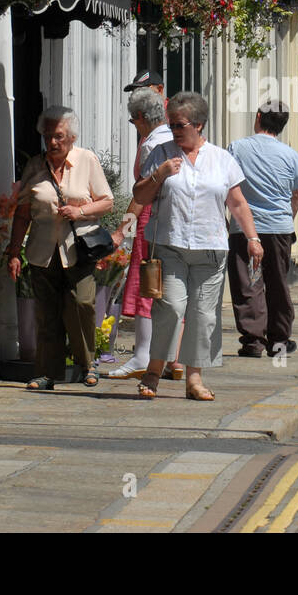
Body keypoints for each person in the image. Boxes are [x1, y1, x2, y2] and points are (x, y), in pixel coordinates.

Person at [131, 92, 264, 401]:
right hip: (169, 243)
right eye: (171, 124)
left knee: (205, 315)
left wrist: (253, 239)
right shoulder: (160, 152)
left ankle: (194, 378)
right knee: (172, 308)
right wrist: (159, 173)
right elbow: (140, 195)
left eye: (179, 125)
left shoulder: (222, 159)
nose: (174, 131)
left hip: (211, 248)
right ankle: (153, 370)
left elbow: (238, 203)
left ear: (199, 125)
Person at [7, 106, 114, 389]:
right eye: (48, 136)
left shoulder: (86, 160)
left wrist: (81, 212)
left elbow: (107, 201)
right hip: (43, 251)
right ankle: (46, 373)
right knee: (47, 312)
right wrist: (14, 252)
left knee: (81, 304)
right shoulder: (35, 166)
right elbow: (22, 213)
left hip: (78, 249)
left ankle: (88, 365)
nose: (52, 142)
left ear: (72, 137)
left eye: (59, 136)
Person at [104, 86, 177, 380]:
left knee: (146, 284)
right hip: (168, 218)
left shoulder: (151, 145)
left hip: (149, 217)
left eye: (133, 122)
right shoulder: (172, 139)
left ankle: (142, 355)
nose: (134, 127)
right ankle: (170, 358)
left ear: (141, 117)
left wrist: (123, 229)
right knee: (166, 289)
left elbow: (141, 194)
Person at [226, 100, 298, 358]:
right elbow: (295, 194)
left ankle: (252, 341)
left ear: (258, 116)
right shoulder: (290, 155)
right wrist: (286, 219)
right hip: (279, 229)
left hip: (244, 229)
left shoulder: (237, 148)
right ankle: (279, 339)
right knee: (278, 283)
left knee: (248, 283)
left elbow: (226, 185)